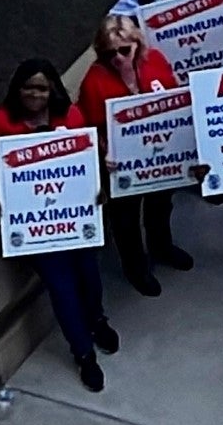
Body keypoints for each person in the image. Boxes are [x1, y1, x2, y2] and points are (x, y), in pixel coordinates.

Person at [0, 61, 116, 393]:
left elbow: (87, 157)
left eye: (42, 88)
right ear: (16, 89)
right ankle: (84, 353)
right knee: (62, 289)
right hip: (38, 228)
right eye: (28, 87)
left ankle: (97, 321)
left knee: (89, 276)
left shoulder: (70, 116)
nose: (34, 94)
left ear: (53, 91)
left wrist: (98, 185)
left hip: (76, 220)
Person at [78, 16, 188, 297]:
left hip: (160, 156)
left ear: (137, 44)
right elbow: (89, 126)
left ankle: (162, 247)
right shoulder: (94, 81)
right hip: (120, 163)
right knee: (126, 219)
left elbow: (176, 99)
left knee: (160, 205)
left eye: (124, 50)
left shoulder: (155, 61)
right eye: (109, 53)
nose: (117, 58)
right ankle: (136, 268)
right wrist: (102, 151)